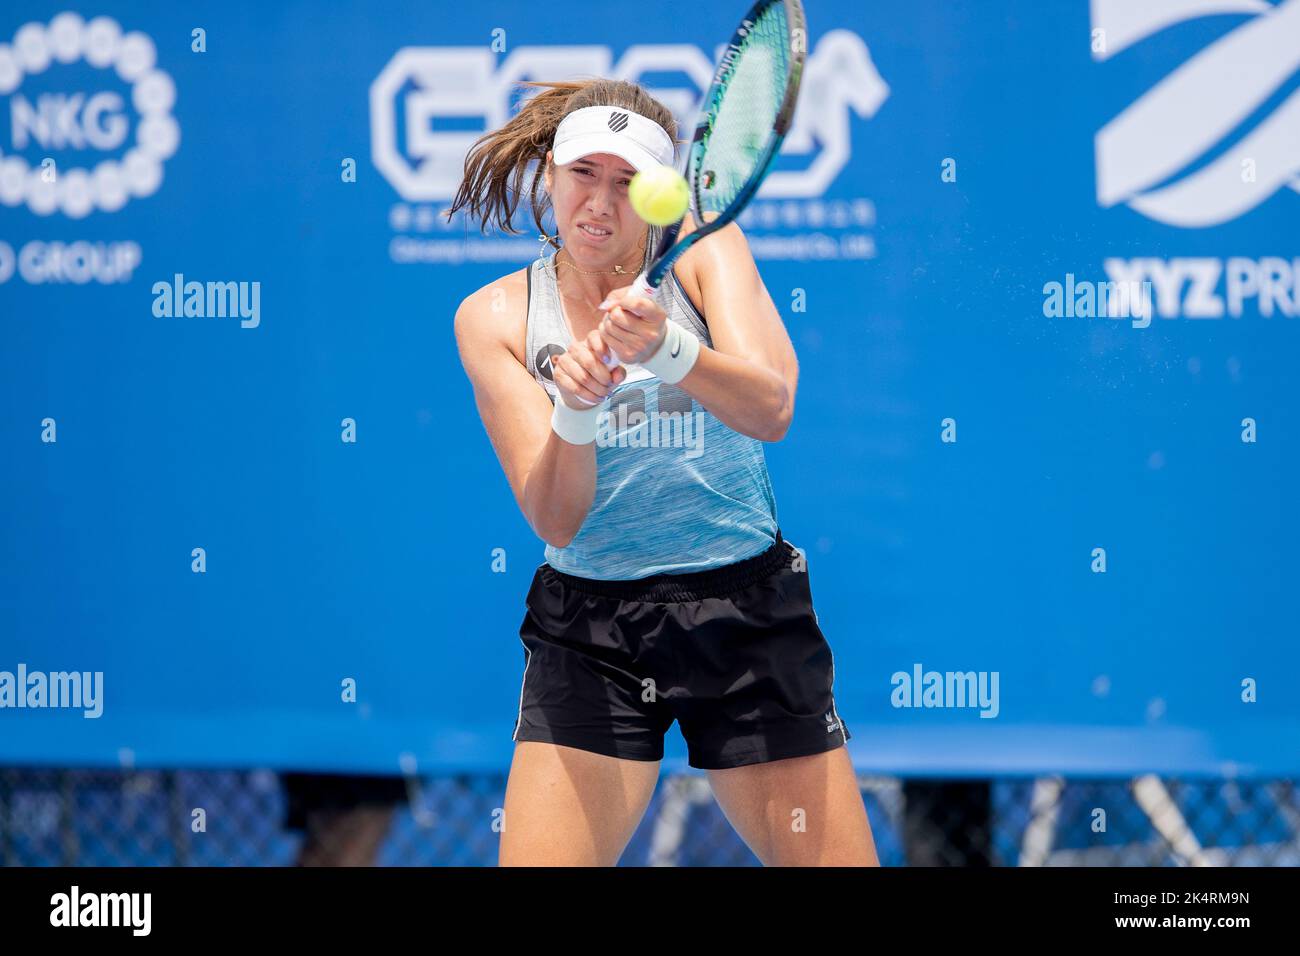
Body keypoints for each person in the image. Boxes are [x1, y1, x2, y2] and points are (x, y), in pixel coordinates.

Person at [448, 78, 878, 867]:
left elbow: (771, 406)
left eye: (627, 183)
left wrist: (667, 351)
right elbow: (556, 520)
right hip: (591, 634)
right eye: (583, 174)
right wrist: (575, 408)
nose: (600, 205)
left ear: (659, 195)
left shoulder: (706, 252)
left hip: (745, 613)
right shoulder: (495, 318)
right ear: (548, 174)